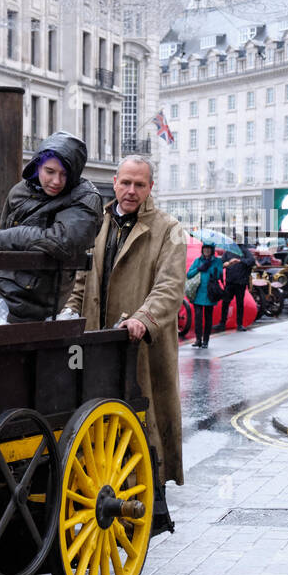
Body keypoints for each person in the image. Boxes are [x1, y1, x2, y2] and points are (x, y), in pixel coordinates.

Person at [65, 156, 185, 535]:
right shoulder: (97, 224)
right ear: (114, 182)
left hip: (142, 348)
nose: (131, 191)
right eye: (126, 183)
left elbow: (169, 288)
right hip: (97, 346)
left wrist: (143, 319)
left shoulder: (168, 229)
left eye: (140, 185)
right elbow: (82, 281)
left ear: (151, 188)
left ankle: (148, 511)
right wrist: (69, 312)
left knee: (143, 426)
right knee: (97, 427)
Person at [0, 132, 101, 322]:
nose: (57, 181)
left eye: (64, 174)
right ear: (37, 165)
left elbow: (63, 242)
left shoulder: (85, 198)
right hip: (2, 285)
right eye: (50, 171)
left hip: (32, 300)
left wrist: (9, 237)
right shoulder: (19, 192)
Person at [186, 241, 223, 348]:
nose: (206, 251)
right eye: (205, 249)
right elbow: (189, 274)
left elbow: (220, 274)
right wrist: (199, 268)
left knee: (208, 318)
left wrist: (213, 270)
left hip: (210, 293)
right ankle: (198, 340)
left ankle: (205, 341)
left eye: (209, 249)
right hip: (198, 293)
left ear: (212, 251)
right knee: (198, 318)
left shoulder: (217, 261)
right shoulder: (198, 261)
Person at [217, 243, 255, 332]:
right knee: (225, 302)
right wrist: (227, 263)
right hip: (230, 281)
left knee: (240, 304)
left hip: (240, 282)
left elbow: (251, 261)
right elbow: (221, 263)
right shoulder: (228, 251)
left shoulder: (244, 250)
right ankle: (222, 323)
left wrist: (240, 261)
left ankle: (239, 324)